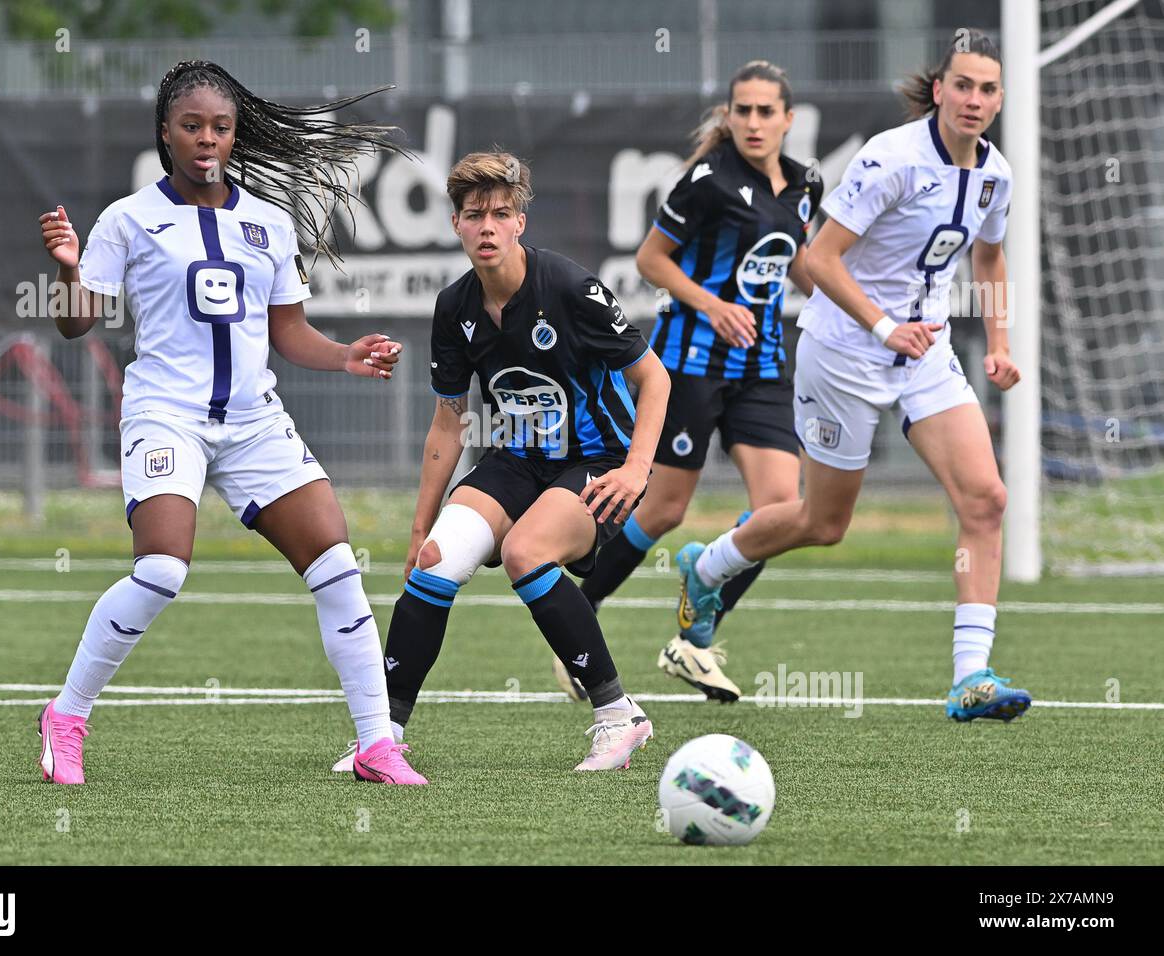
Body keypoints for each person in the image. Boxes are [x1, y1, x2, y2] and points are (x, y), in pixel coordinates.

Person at [35, 60, 426, 785]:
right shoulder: (128, 218)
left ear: (235, 133)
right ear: (167, 133)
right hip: (167, 416)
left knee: (337, 565)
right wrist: (66, 269)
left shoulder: (267, 223)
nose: (207, 139)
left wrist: (347, 357)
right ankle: (67, 715)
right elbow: (74, 323)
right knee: (160, 569)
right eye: (192, 127)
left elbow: (290, 332)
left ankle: (377, 745)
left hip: (251, 421)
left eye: (219, 126)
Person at [674, 31, 1032, 722]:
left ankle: (970, 678)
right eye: (963, 85)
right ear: (940, 89)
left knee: (986, 499)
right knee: (824, 521)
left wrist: (1000, 342)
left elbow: (988, 259)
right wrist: (882, 326)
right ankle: (709, 565)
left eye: (988, 89)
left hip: (923, 353)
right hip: (843, 352)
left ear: (999, 98)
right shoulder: (893, 157)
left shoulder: (997, 174)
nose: (975, 100)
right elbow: (819, 257)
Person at [335, 150, 671, 774]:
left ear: (520, 223)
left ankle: (619, 716)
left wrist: (635, 471)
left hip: (599, 461)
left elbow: (655, 379)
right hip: (516, 459)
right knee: (433, 565)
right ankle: (382, 738)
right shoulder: (455, 307)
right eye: (472, 215)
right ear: (456, 225)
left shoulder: (571, 288)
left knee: (526, 553)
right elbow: (447, 425)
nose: (486, 226)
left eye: (500, 213)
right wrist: (418, 531)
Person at [574, 61, 820, 703]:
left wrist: (860, 313)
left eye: (768, 111)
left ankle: (694, 639)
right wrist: (711, 305)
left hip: (762, 366)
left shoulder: (805, 184)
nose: (755, 121)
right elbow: (651, 260)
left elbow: (799, 265)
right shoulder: (708, 180)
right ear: (730, 117)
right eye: (744, 110)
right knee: (662, 509)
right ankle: (581, 614)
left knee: (778, 510)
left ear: (788, 120)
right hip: (689, 364)